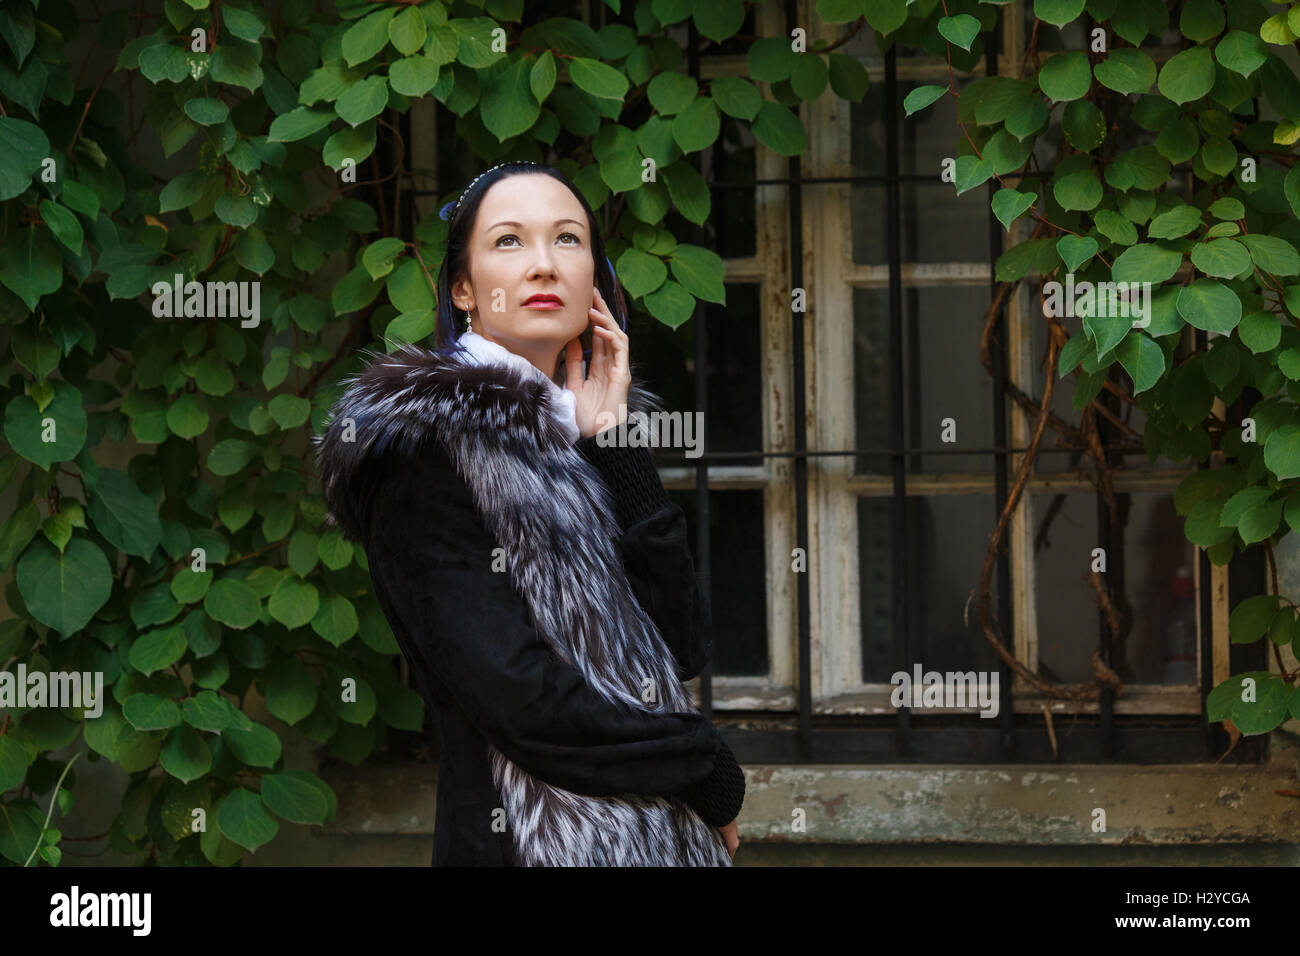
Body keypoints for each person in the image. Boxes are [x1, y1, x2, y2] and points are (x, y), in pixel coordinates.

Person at [314, 161, 745, 866]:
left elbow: (679, 646)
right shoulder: (422, 450)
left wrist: (614, 445)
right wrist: (700, 764)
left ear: (597, 283)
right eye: (509, 241)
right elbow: (517, 697)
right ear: (465, 289)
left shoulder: (584, 438)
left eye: (568, 240)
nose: (544, 264)